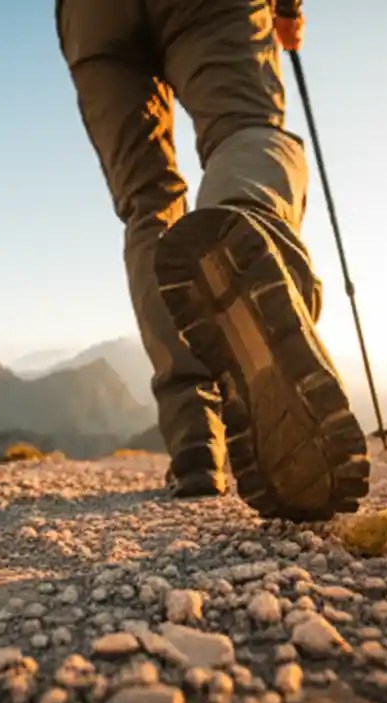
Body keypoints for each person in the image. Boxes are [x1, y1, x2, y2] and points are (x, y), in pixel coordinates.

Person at [56, 0, 371, 520]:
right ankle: (244, 236)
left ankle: (196, 446)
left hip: (91, 19)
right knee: (246, 130)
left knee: (148, 206)